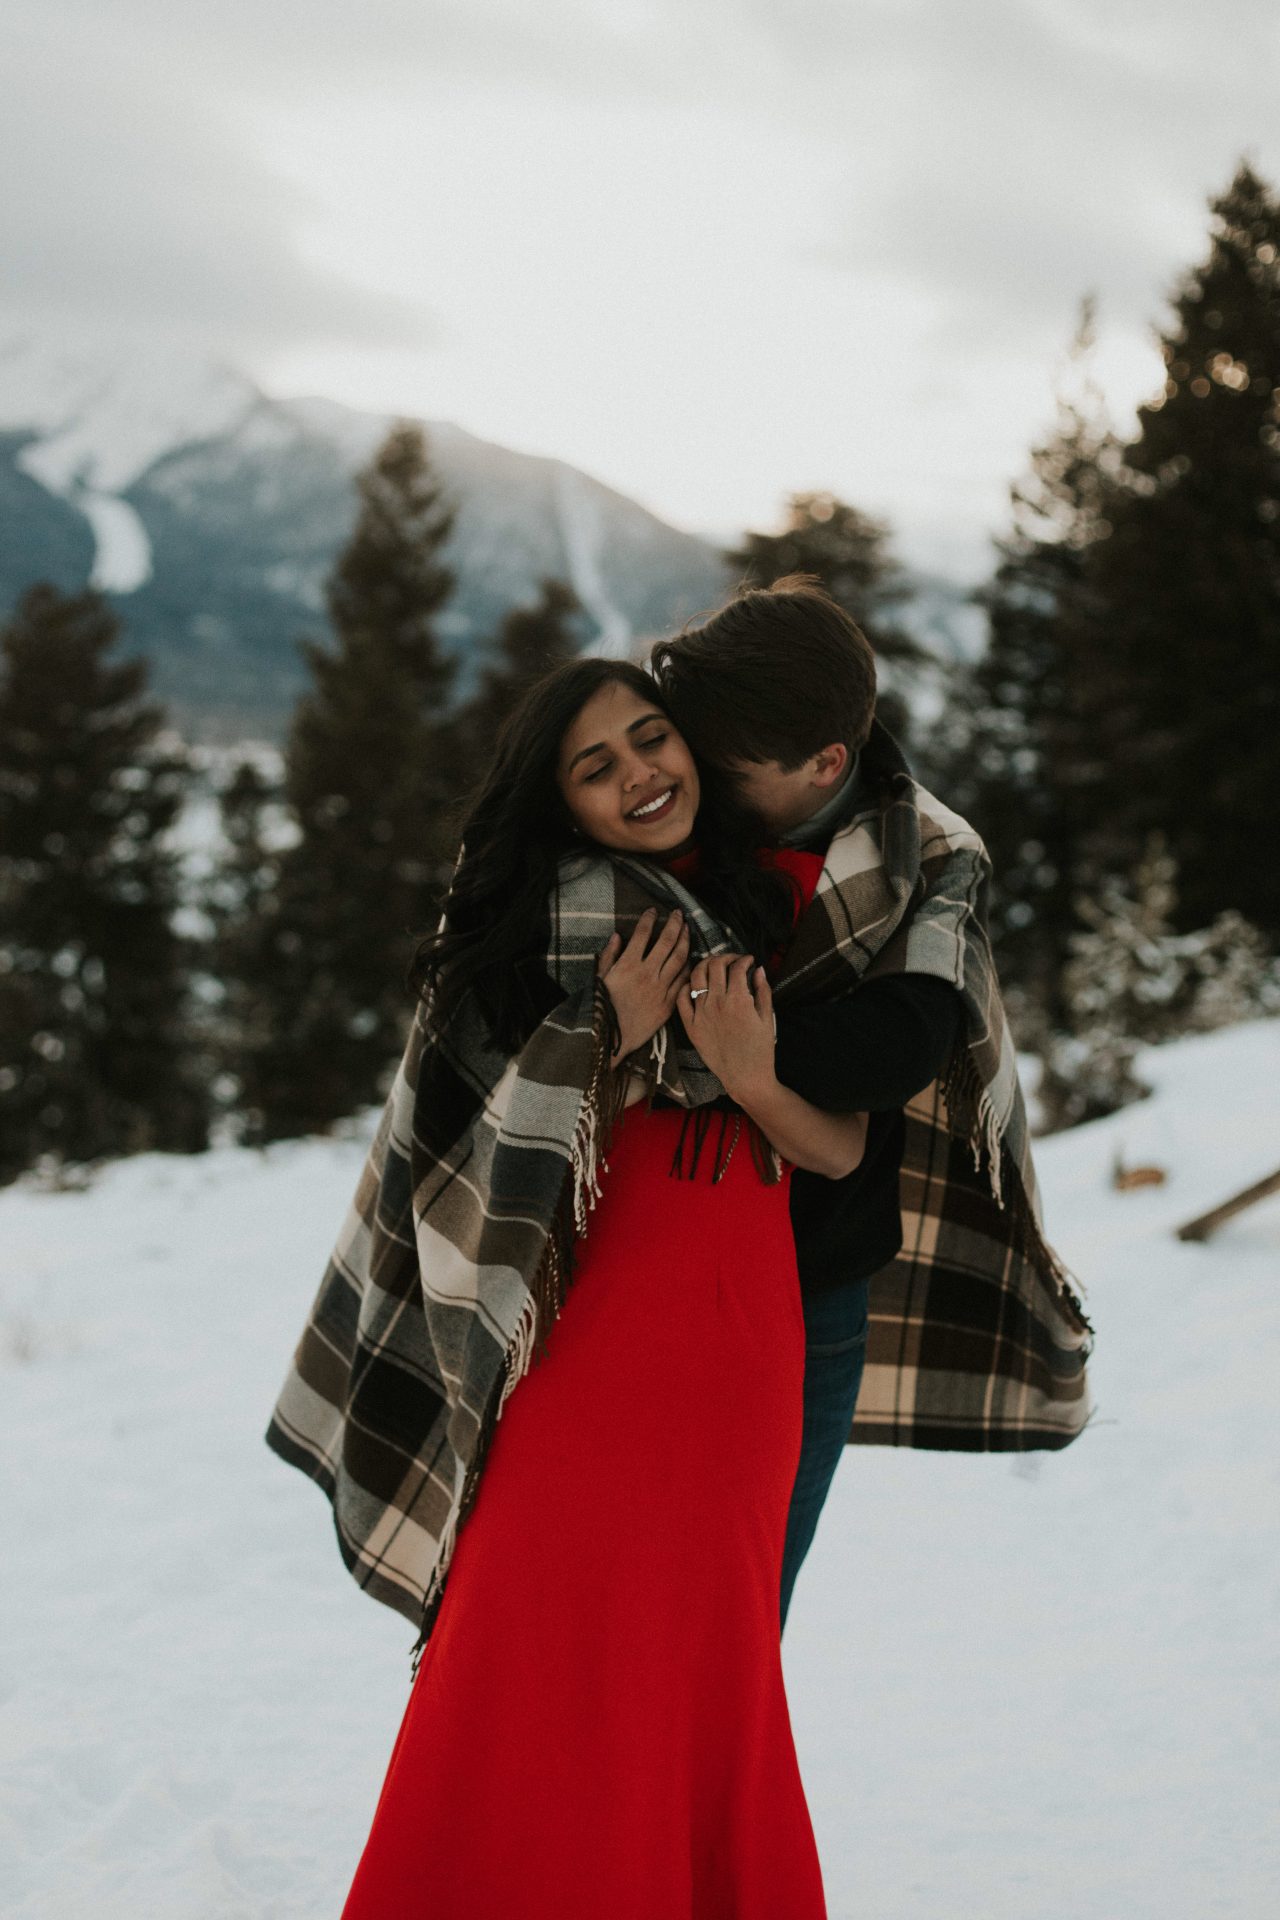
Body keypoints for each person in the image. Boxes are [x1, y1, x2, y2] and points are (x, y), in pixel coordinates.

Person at [269, 658, 865, 1919]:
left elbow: (841, 1142)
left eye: (650, 739)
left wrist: (746, 1068)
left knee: (709, 1669)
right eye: (596, 767)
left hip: (739, 1349)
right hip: (587, 1353)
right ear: (562, 806)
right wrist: (600, 1029)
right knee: (525, 1650)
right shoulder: (536, 926)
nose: (640, 774)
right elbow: (455, 1153)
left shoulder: (771, 910)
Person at [652, 573, 1095, 1626]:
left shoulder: (921, 857)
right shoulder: (686, 803)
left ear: (824, 766)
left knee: (742, 1603)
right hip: (653, 1263)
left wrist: (709, 1037)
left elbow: (894, 1048)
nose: (701, 782)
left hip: (810, 1286)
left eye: (731, 770)